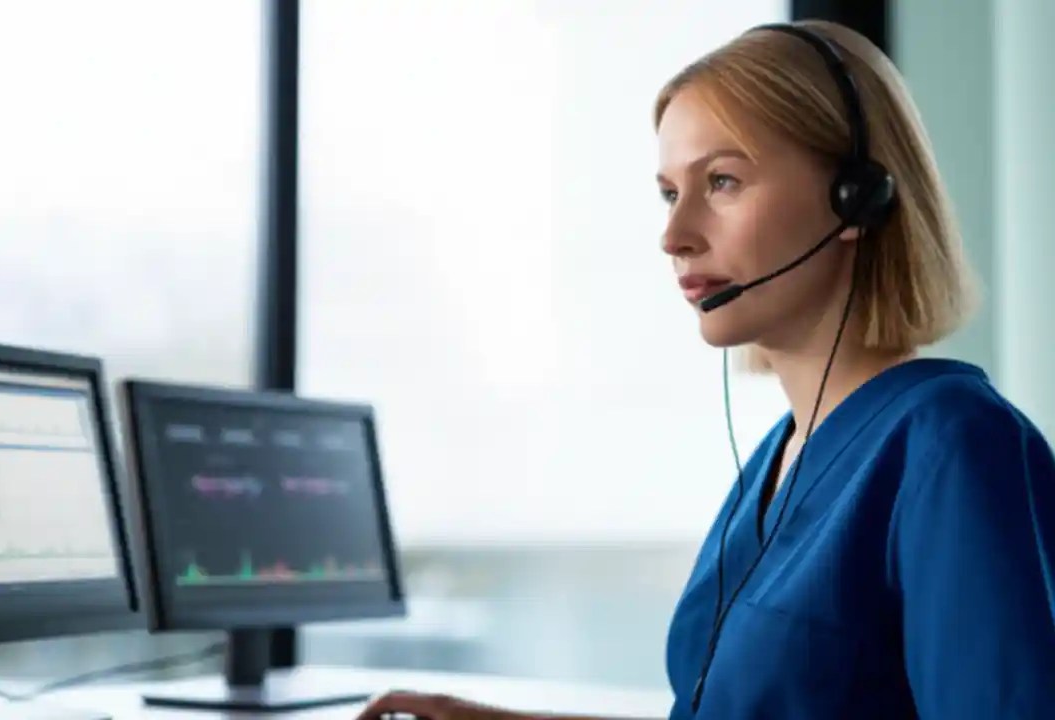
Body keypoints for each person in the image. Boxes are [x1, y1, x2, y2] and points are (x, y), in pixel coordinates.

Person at [356, 18, 1055, 720]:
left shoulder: (953, 445)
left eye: (721, 181)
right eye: (669, 193)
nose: (674, 235)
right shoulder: (778, 458)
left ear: (855, 197)